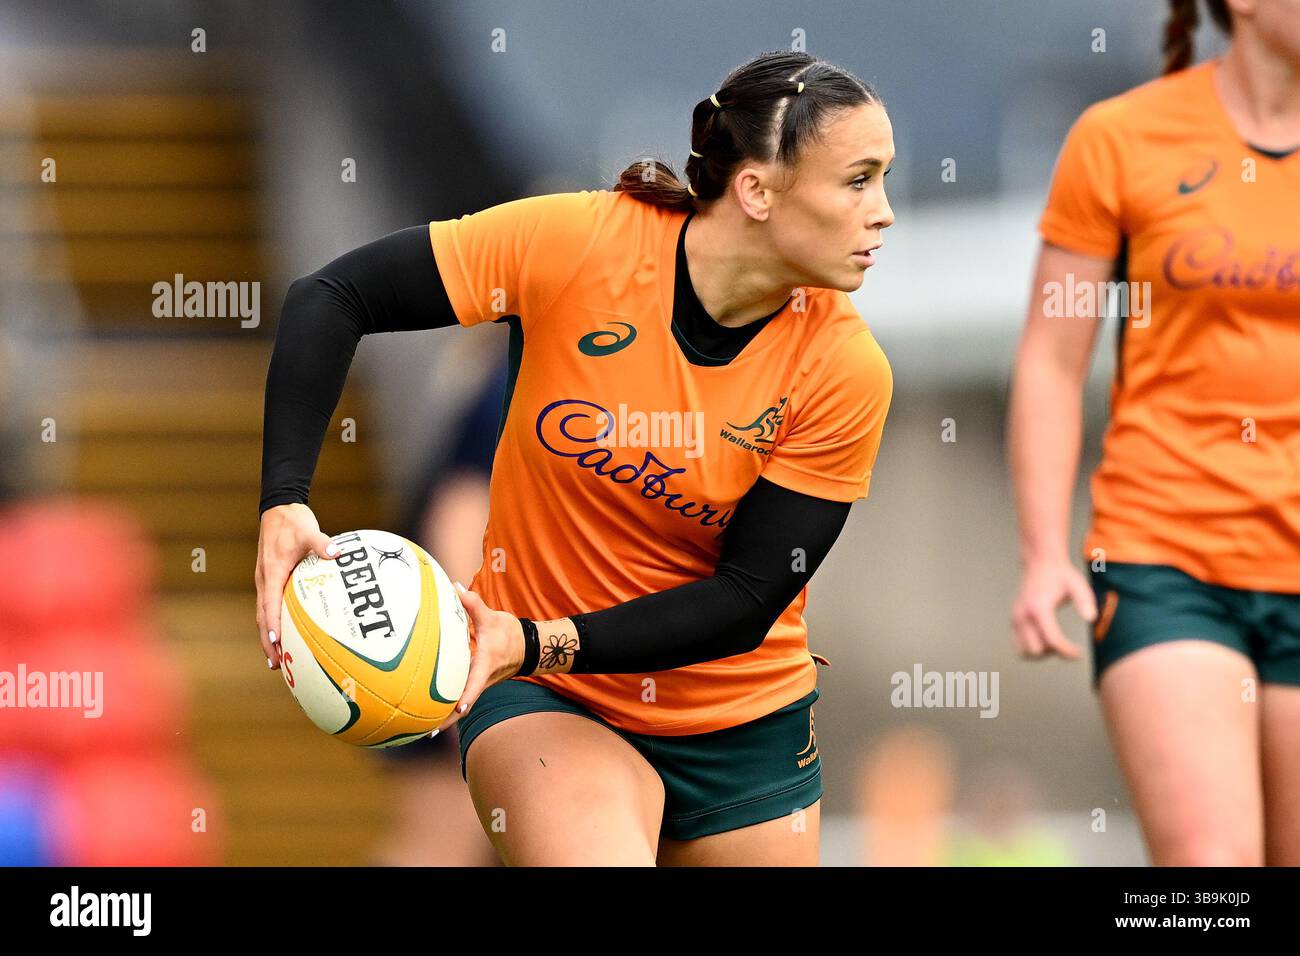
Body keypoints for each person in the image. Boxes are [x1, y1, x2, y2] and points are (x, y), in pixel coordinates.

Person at [257, 49, 895, 866]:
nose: (883, 212)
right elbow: (333, 297)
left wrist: (535, 637)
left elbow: (743, 598)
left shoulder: (843, 368)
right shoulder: (580, 244)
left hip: (743, 725)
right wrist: (285, 498)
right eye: (857, 180)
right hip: (551, 696)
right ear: (757, 189)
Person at [1009, 0, 1300, 866]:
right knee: (1210, 877)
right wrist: (1043, 554)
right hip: (1163, 554)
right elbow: (1052, 361)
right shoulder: (1121, 137)